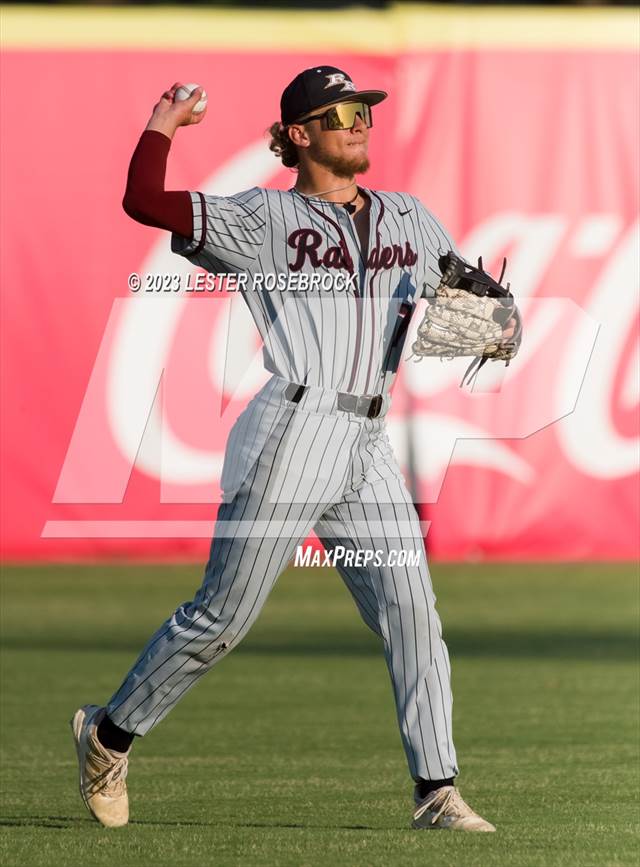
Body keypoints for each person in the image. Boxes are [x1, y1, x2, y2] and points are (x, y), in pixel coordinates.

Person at [71, 66, 496, 833]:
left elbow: (462, 289)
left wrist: (496, 315)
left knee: (414, 613)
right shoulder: (260, 220)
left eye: (363, 108)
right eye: (340, 113)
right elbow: (144, 201)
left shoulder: (408, 215)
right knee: (221, 618)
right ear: (300, 134)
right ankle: (107, 734)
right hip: (290, 433)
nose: (359, 121)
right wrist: (163, 124)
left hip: (368, 443)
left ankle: (437, 788)